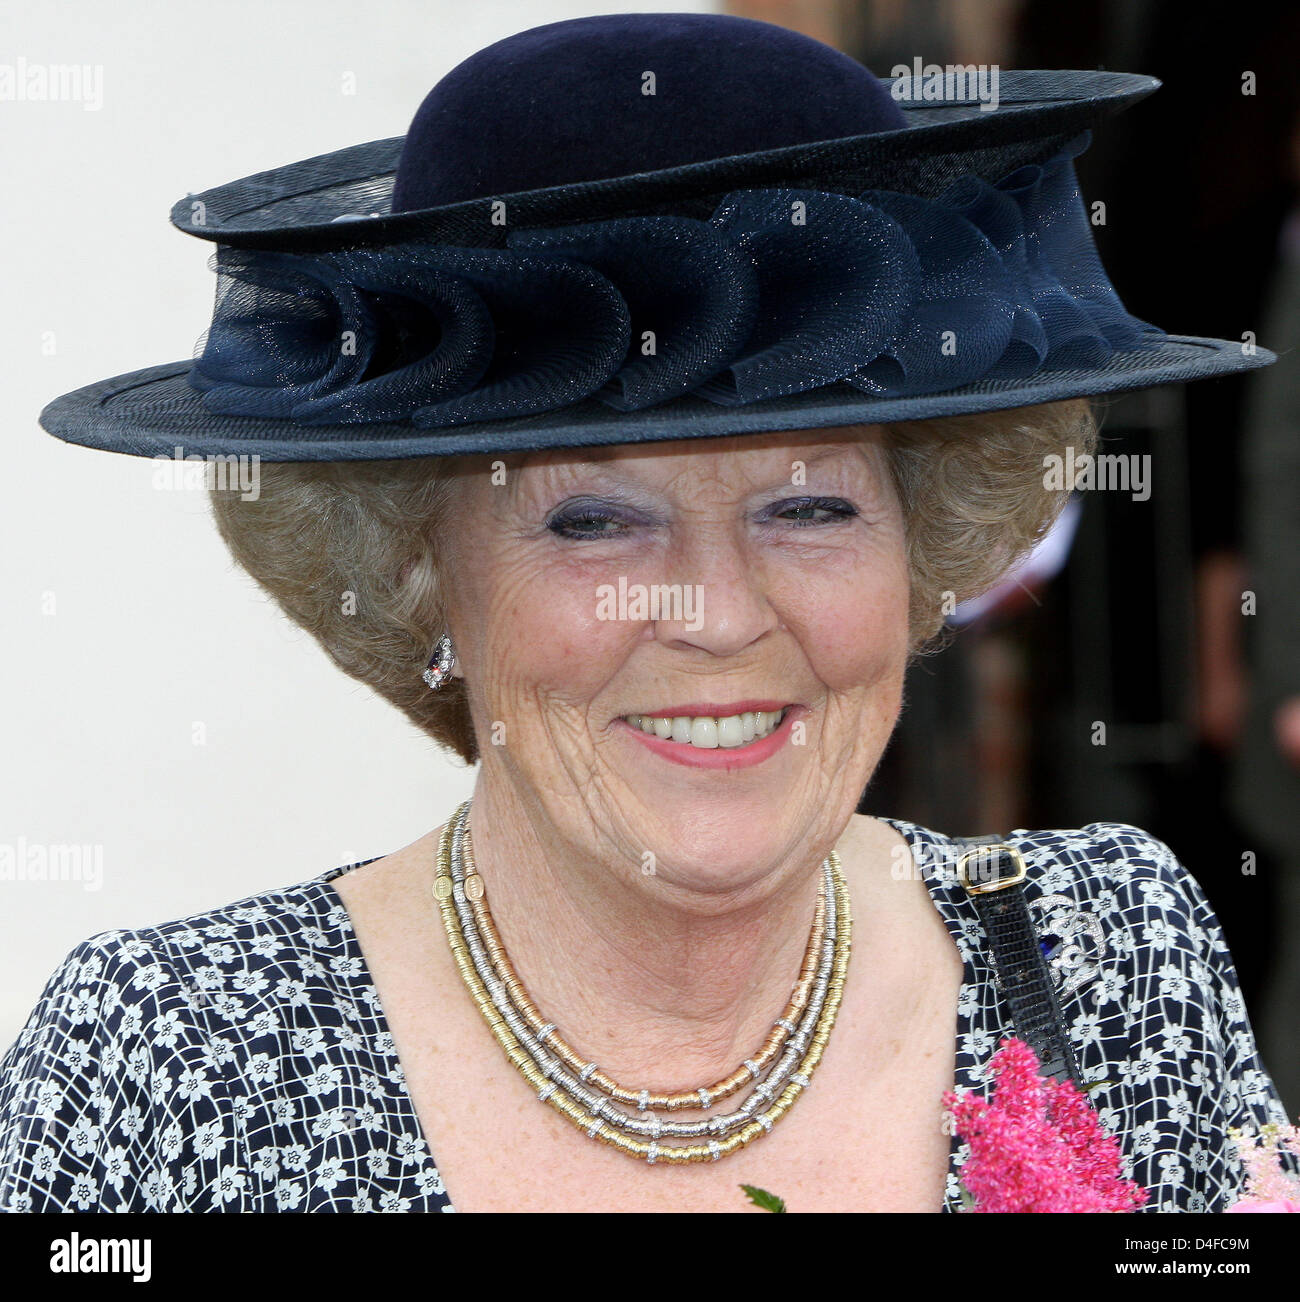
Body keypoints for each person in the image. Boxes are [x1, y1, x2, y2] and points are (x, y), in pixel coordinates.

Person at [2, 13, 1291, 1213]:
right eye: (591, 519)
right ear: (414, 571)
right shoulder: (170, 1071)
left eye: (810, 510)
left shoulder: (1111, 954)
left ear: (924, 550)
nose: (719, 614)